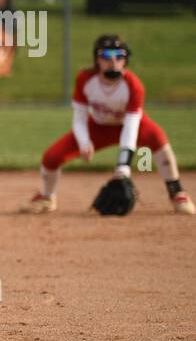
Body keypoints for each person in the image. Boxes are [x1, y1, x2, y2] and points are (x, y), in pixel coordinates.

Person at [19, 34, 194, 215]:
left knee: (157, 138)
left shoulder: (134, 85)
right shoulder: (86, 80)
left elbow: (131, 126)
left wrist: (123, 167)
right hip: (98, 127)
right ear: (97, 59)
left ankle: (177, 193)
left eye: (119, 56)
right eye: (106, 56)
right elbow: (79, 117)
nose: (113, 61)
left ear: (125, 60)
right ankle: (48, 198)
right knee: (51, 157)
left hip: (131, 125)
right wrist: (85, 142)